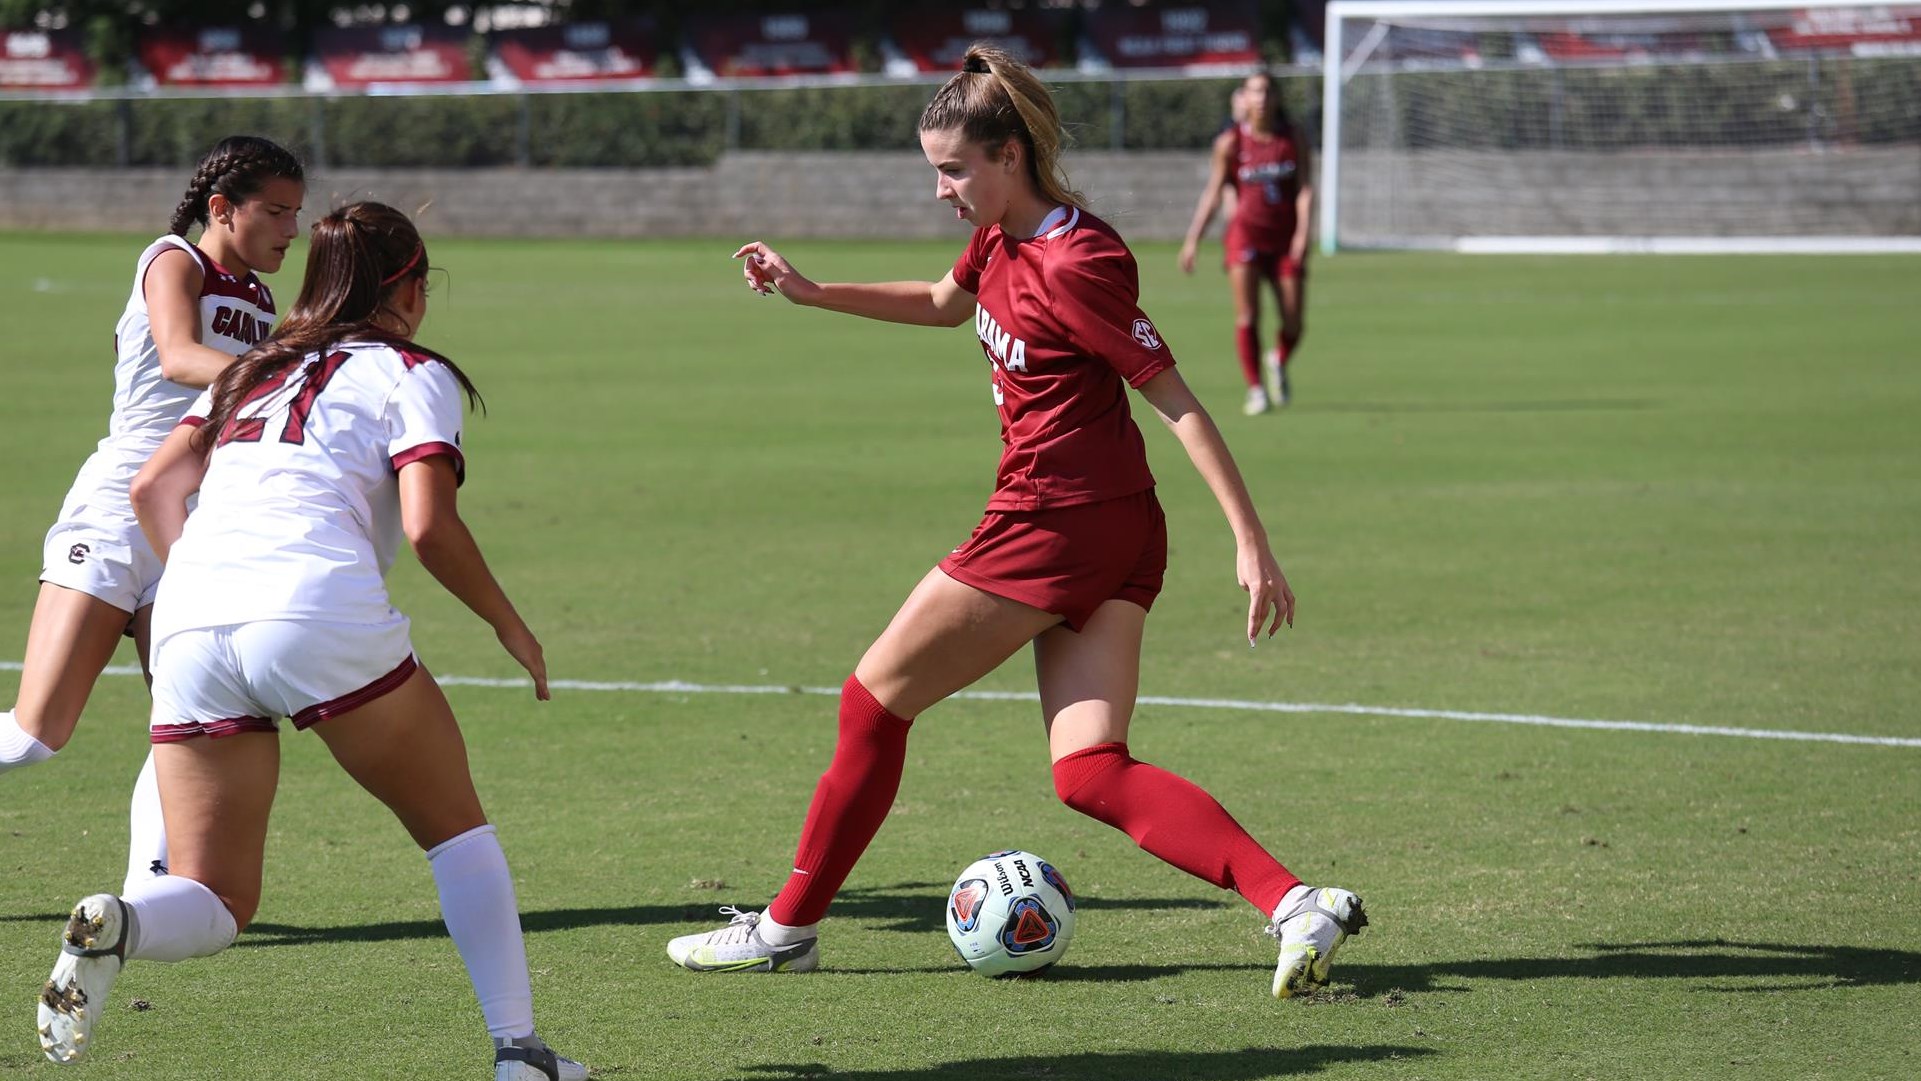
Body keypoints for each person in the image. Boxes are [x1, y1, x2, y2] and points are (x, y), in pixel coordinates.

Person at [667, 45, 1365, 1000]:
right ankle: (1296, 903)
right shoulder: (999, 240)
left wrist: (1249, 541)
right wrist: (813, 290)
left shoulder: (1077, 258)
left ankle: (786, 927)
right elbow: (942, 303)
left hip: (1051, 524)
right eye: (935, 172)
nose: (942, 190)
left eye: (953, 169)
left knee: (871, 701)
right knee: (1089, 771)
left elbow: (1177, 398)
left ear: (1009, 155)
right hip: (1113, 527)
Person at [34, 202, 587, 1081]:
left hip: (189, 615)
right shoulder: (412, 371)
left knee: (216, 897)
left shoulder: (254, 366)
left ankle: (122, 919)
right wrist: (511, 626)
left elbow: (151, 487)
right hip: (312, 610)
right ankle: (520, 1053)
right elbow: (430, 526)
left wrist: (213, 585)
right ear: (408, 286)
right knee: (456, 833)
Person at [1, 135, 304, 896]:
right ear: (221, 208)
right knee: (36, 733)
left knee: (184, 718)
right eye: (275, 211)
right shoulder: (174, 259)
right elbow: (177, 357)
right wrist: (285, 373)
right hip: (116, 511)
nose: (289, 230)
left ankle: (145, 897)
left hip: (193, 531)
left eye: (296, 214)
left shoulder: (261, 300)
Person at [1179, 71, 1315, 415]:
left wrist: (1302, 234)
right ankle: (1256, 389)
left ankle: (1278, 359)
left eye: (1268, 90)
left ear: (1277, 97)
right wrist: (1193, 240)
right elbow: (1213, 193)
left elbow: (1304, 188)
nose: (1262, 98)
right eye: (1255, 91)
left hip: (1284, 240)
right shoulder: (1231, 142)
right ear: (1245, 97)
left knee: (1294, 321)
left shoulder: (1292, 137)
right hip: (1245, 237)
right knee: (1248, 316)